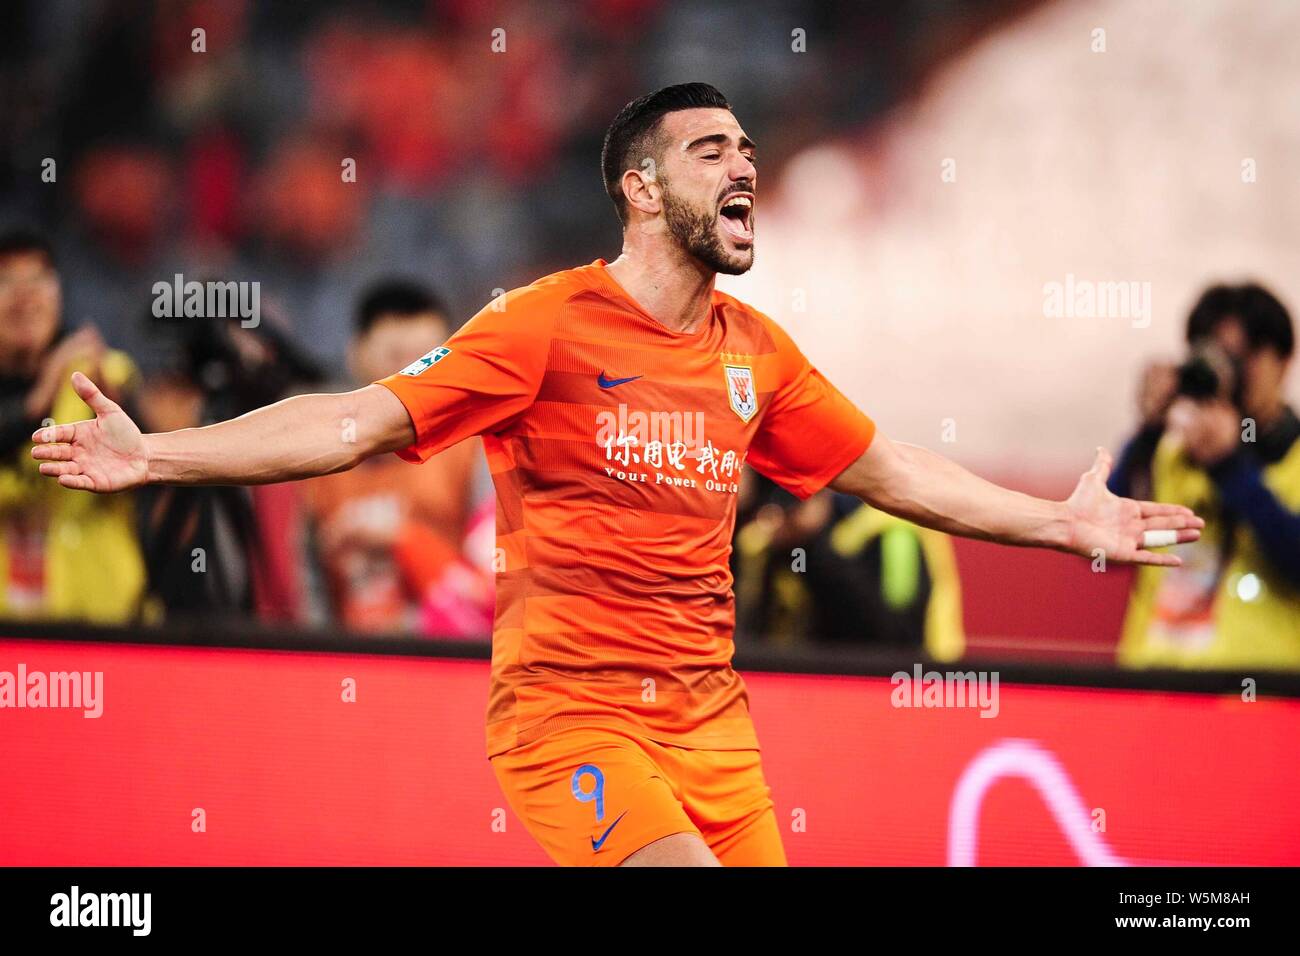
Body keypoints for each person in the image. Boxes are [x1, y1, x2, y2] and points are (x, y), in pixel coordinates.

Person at [30, 84, 1201, 866]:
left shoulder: (755, 353)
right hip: (570, 718)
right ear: (641, 190)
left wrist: (1060, 522)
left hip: (716, 731)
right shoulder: (544, 325)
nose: (743, 164)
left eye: (747, 148)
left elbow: (889, 468)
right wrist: (157, 452)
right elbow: (351, 425)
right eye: (711, 150)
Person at [1108, 283, 1300, 669]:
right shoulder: (1172, 454)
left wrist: (1230, 467)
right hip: (1155, 686)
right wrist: (1147, 430)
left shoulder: (1292, 459)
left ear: (1282, 363)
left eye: (1243, 355)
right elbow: (1105, 541)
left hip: (1263, 695)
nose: (1229, 371)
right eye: (1215, 354)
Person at [299, 279, 491, 636]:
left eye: (428, 360)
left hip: (448, 658)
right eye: (395, 358)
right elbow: (302, 595)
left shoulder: (475, 451)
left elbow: (489, 594)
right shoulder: (313, 462)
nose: (412, 377)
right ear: (356, 354)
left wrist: (402, 539)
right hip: (347, 661)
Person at [0, 228, 146, 622]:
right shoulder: (47, 390)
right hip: (10, 635)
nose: (24, 295)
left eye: (38, 279)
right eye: (8, 281)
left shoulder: (102, 380)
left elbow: (156, 468)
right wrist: (38, 399)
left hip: (107, 625)